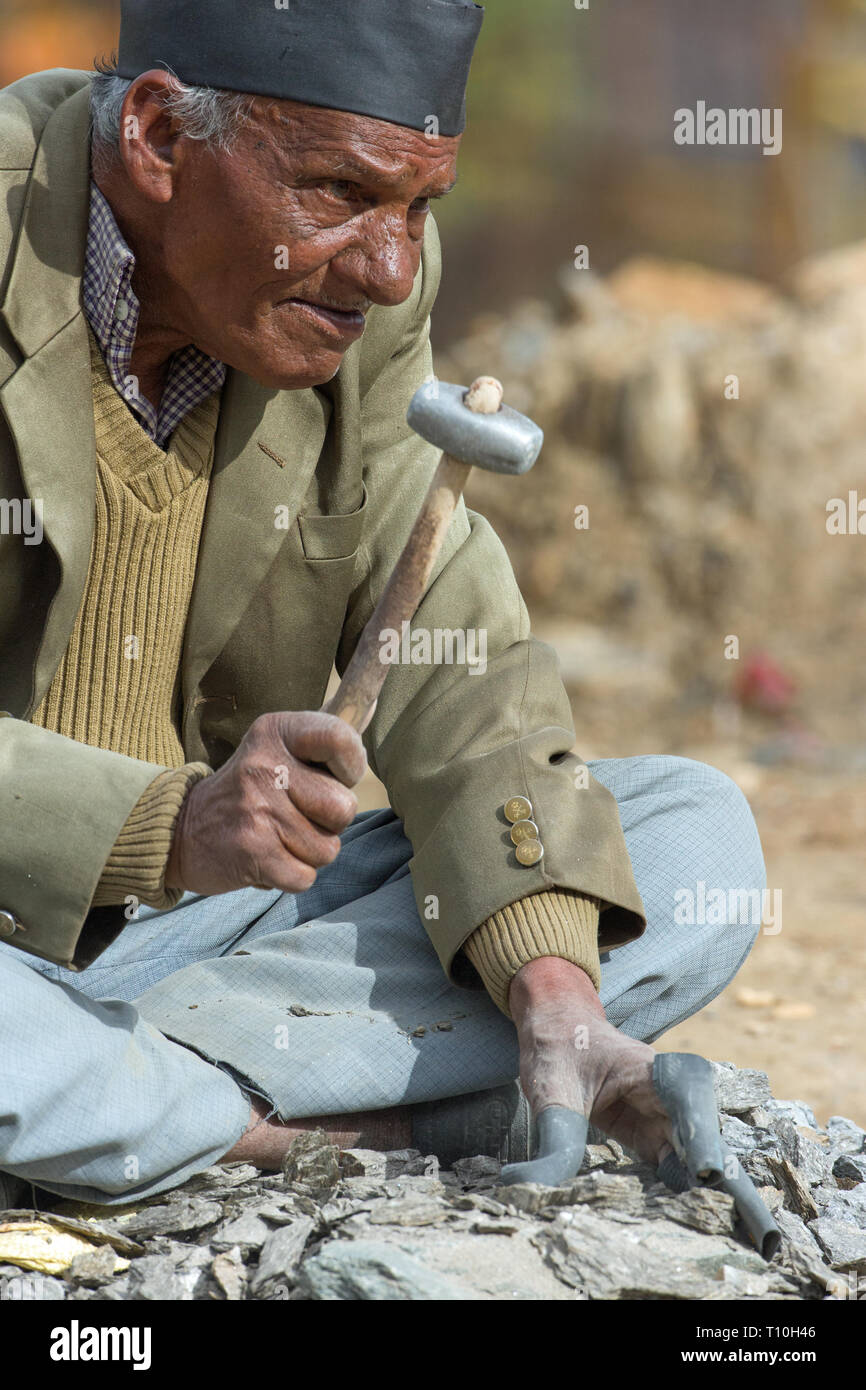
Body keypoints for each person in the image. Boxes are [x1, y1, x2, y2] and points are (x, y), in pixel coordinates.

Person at [0, 0, 765, 1206]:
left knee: (684, 837)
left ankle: (137, 1100)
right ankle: (335, 1128)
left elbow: (456, 644)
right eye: (339, 193)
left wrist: (549, 984)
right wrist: (167, 822)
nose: (390, 265)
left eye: (420, 209)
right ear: (156, 135)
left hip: (192, 948)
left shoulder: (350, 301)